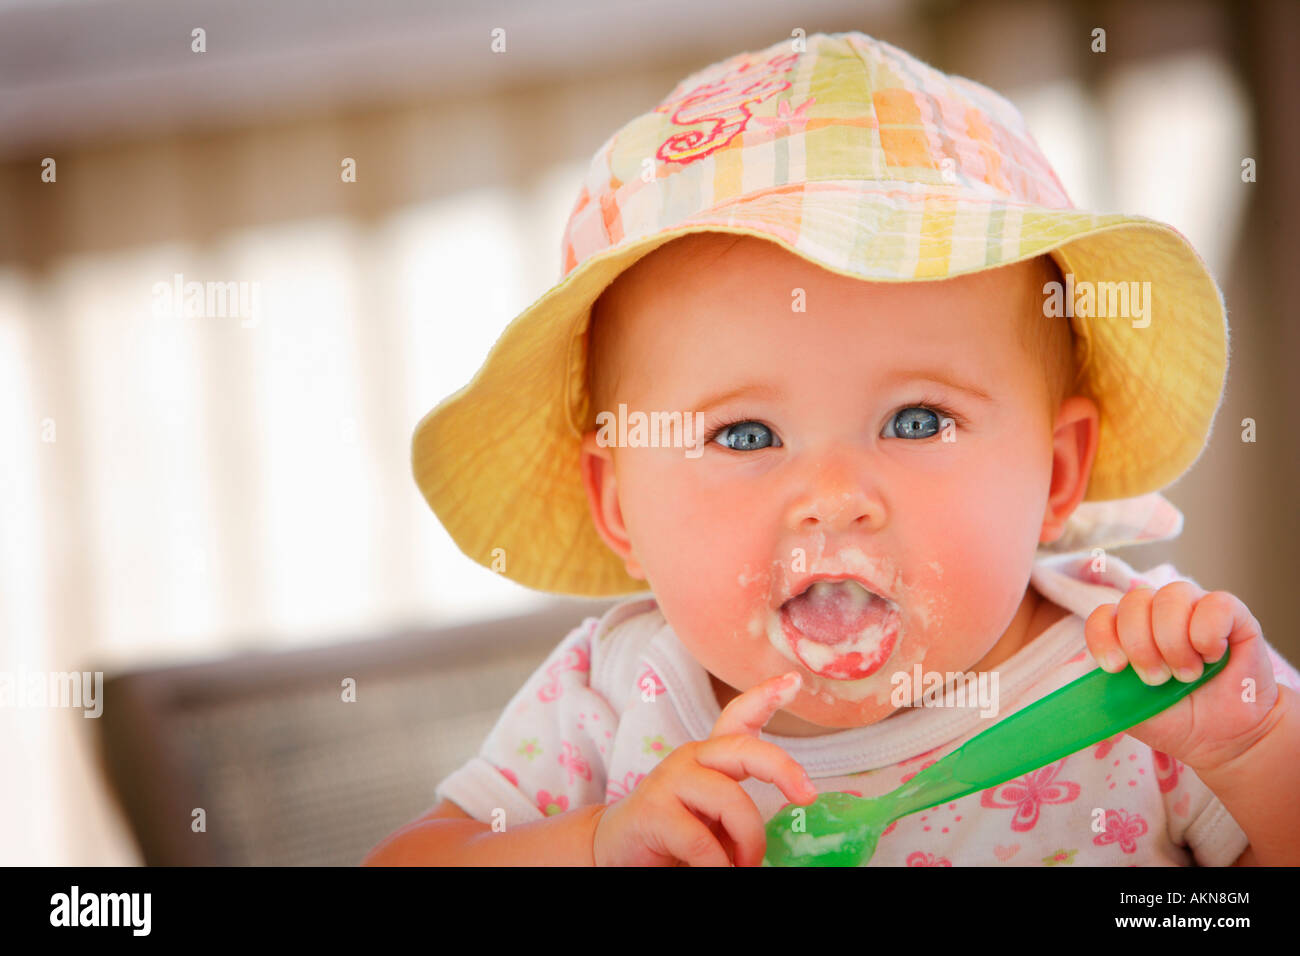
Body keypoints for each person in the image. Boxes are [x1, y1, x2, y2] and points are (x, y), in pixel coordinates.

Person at [365, 31, 1299, 866]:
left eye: (918, 420)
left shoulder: (1140, 681)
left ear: (1057, 473)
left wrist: (1257, 752)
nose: (836, 496)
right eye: (743, 434)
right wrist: (597, 846)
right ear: (620, 507)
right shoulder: (616, 698)